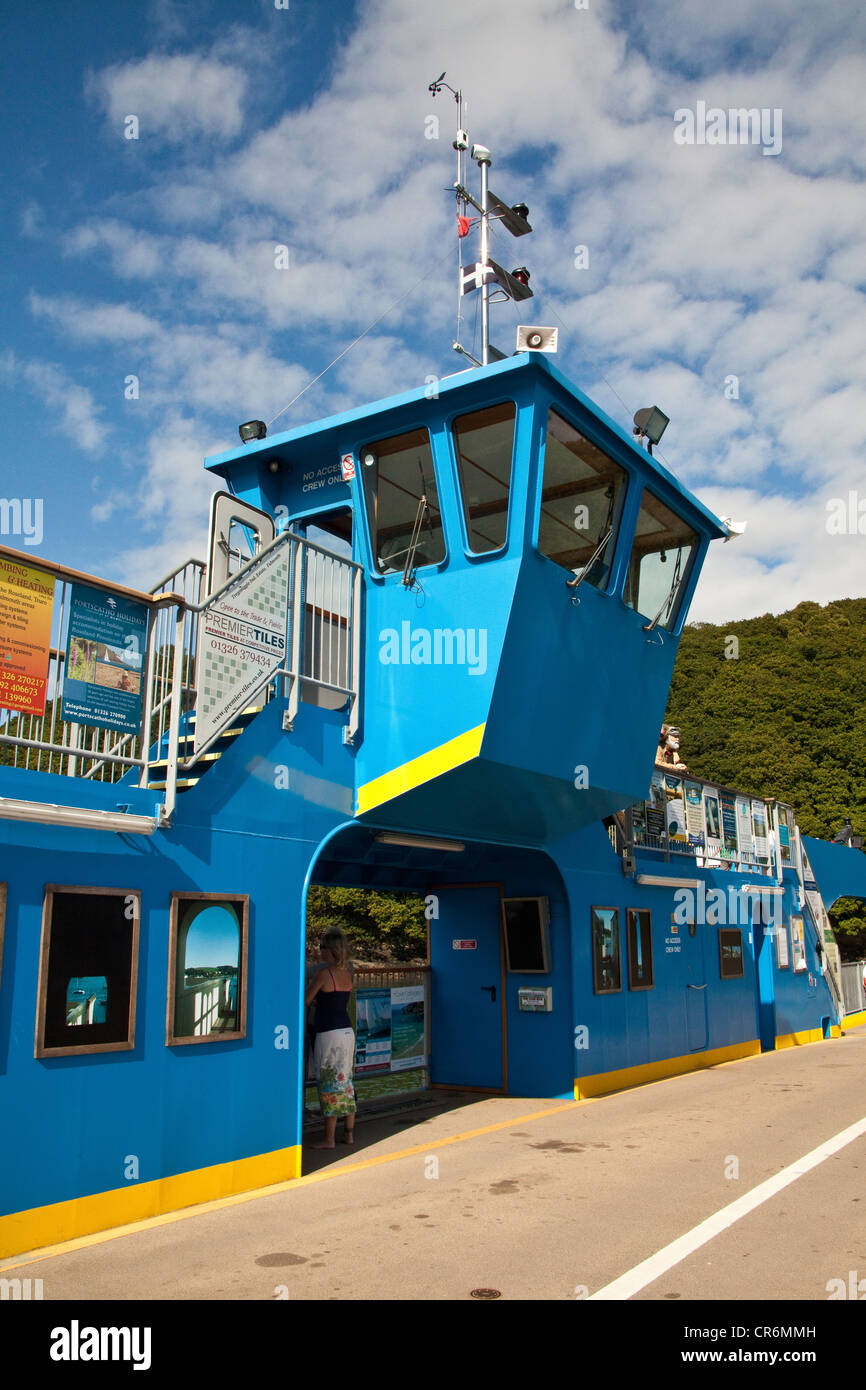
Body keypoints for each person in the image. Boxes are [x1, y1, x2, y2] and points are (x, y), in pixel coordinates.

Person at [304, 927, 356, 1149]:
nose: (319, 950)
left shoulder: (324, 974)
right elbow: (336, 1001)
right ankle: (349, 1134)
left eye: (322, 947)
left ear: (330, 950)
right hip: (346, 1032)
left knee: (329, 1083)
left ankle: (329, 1138)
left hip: (329, 1033)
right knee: (346, 1081)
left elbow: (305, 999)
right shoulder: (347, 973)